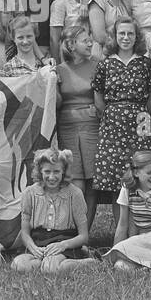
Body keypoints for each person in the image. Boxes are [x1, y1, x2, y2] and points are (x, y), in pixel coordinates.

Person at [90, 17, 151, 207]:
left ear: (137, 37)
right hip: (113, 123)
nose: (126, 37)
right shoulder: (105, 64)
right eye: (122, 33)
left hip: (141, 121)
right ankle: (121, 232)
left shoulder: (146, 64)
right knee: (116, 177)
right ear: (114, 36)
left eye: (130, 33)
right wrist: (112, 116)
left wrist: (142, 114)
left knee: (141, 171)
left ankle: (142, 226)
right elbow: (98, 96)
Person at [11, 148, 94, 274]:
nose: (51, 177)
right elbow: (25, 233)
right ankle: (48, 264)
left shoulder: (74, 194)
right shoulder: (30, 193)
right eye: (47, 171)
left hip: (64, 242)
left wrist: (63, 245)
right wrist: (33, 248)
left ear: (64, 172)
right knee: (18, 265)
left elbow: (84, 236)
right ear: (40, 171)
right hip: (38, 242)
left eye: (56, 171)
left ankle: (86, 262)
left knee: (50, 268)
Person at [54, 22, 101, 235]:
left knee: (91, 182)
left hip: (92, 127)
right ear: (71, 45)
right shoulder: (58, 70)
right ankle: (70, 232)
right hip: (68, 128)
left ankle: (85, 236)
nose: (90, 42)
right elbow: (55, 103)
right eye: (85, 40)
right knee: (75, 183)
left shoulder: (98, 65)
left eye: (90, 38)